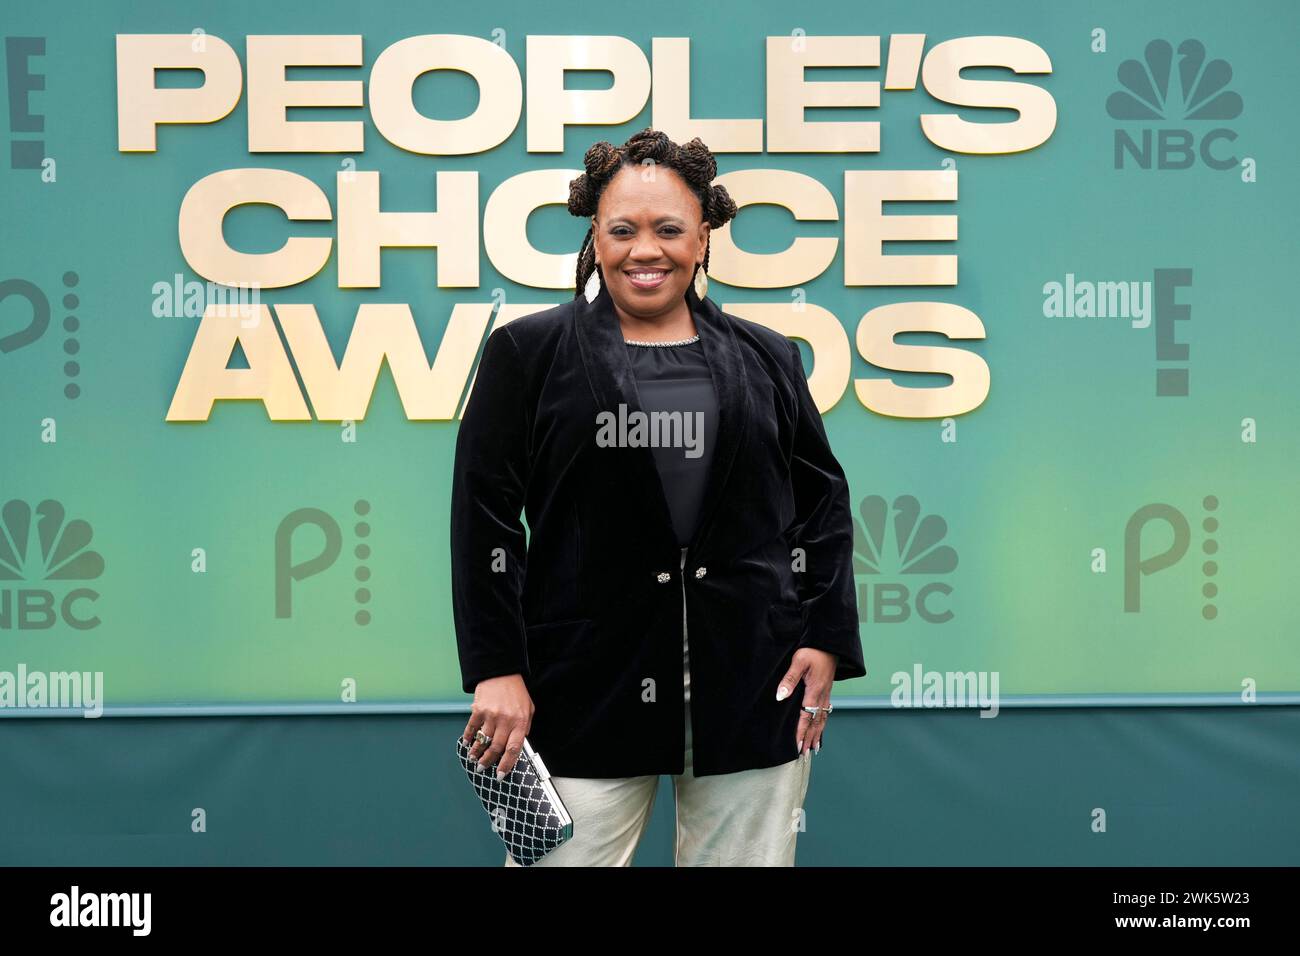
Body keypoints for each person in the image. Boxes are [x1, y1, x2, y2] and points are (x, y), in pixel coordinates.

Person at [450, 127, 864, 866]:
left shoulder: (770, 356)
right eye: (624, 230)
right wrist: (494, 667)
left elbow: (822, 502)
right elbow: (483, 517)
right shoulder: (525, 353)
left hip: (751, 683)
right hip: (580, 690)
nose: (647, 249)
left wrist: (825, 634)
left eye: (669, 228)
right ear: (596, 238)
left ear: (703, 238)